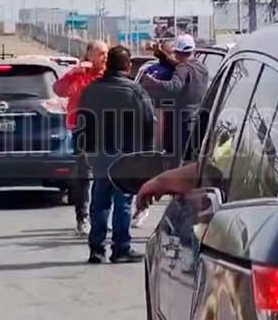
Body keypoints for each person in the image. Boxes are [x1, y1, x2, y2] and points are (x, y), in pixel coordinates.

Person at [77, 45, 155, 264]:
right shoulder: (135, 91)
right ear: (128, 65)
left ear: (107, 64)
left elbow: (81, 122)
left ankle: (97, 249)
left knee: (100, 200)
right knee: (123, 202)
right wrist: (147, 156)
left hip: (99, 153)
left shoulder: (92, 90)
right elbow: (148, 125)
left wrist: (83, 149)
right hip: (127, 155)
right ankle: (121, 248)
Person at [53, 40, 108, 237]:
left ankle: (100, 216)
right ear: (89, 54)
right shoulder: (79, 74)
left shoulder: (107, 74)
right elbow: (60, 90)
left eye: (106, 53)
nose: (104, 57)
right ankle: (82, 217)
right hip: (81, 128)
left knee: (104, 174)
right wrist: (73, 73)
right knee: (84, 175)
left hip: (105, 128)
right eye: (101, 53)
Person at [140, 33, 208, 162]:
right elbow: (180, 66)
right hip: (196, 120)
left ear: (176, 52)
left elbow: (173, 87)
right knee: (191, 159)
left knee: (177, 160)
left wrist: (152, 82)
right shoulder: (201, 67)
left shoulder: (182, 69)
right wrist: (163, 56)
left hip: (181, 123)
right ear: (193, 50)